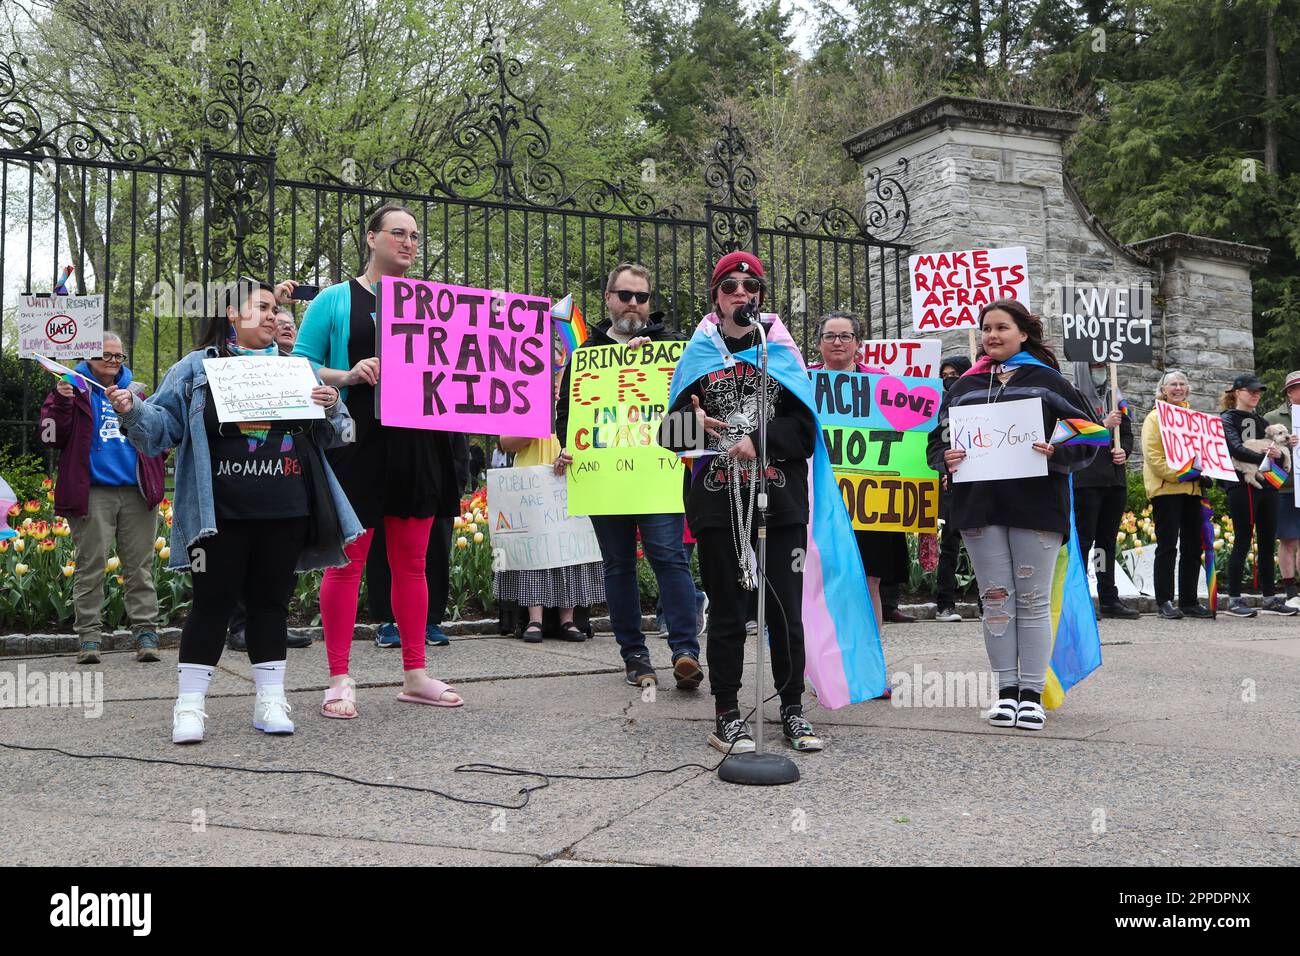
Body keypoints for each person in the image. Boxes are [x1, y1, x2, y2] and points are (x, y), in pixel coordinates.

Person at [110, 280, 362, 744]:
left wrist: (332, 406)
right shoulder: (195, 368)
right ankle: (189, 708)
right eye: (261, 308)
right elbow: (160, 432)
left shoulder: (299, 367)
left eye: (276, 309)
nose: (272, 316)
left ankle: (270, 700)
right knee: (211, 604)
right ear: (231, 313)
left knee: (271, 603)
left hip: (287, 508)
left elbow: (338, 437)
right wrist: (132, 411)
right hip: (217, 512)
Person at [291, 204, 464, 716]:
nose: (410, 243)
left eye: (415, 235)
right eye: (398, 233)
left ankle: (415, 674)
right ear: (371, 238)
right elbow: (296, 365)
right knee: (348, 564)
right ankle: (339, 679)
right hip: (357, 442)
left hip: (418, 443)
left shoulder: (436, 303)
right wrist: (347, 374)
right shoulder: (335, 300)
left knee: (413, 562)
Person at [660, 251, 824, 753]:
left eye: (750, 286)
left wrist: (758, 436)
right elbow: (668, 437)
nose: (740, 292)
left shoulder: (781, 354)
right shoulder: (698, 357)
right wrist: (696, 425)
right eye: (729, 285)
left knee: (784, 610)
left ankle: (793, 708)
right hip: (717, 501)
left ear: (759, 297)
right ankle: (727, 712)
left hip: (779, 499)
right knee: (728, 610)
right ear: (715, 296)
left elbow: (805, 429)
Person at [927, 299, 1099, 732]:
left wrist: (1056, 450)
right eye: (986, 328)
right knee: (996, 600)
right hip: (979, 506)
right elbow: (935, 441)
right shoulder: (964, 386)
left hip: (1036, 504)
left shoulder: (1048, 381)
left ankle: (1031, 695)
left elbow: (1090, 434)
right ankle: (1006, 693)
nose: (992, 335)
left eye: (1002, 327)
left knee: (1033, 599)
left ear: (1023, 333)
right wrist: (944, 457)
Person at [554, 263, 703, 690]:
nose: (634, 304)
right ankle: (634, 657)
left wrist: (648, 368)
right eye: (625, 295)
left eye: (641, 296)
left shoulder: (672, 347)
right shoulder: (586, 353)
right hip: (604, 478)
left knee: (670, 559)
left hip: (657, 474)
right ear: (608, 298)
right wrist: (567, 446)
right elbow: (569, 416)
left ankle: (685, 652)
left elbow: (688, 409)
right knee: (618, 566)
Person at [40, 331, 167, 664]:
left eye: (118, 356)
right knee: (90, 565)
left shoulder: (137, 392)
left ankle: (145, 633)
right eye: (105, 355)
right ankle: (89, 639)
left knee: (140, 567)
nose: (112, 362)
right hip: (93, 491)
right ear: (88, 355)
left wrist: (153, 465)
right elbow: (50, 436)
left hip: (136, 491)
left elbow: (159, 436)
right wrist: (61, 400)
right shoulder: (71, 388)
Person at [495, 337, 605, 640]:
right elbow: (505, 443)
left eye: (559, 368)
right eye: (550, 368)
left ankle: (569, 619)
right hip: (530, 486)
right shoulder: (523, 399)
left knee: (567, 549)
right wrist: (535, 420)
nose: (555, 375)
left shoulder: (581, 398)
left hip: (570, 481)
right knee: (534, 551)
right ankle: (534, 619)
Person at [808, 310, 908, 634]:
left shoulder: (882, 384)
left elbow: (906, 438)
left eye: (845, 336)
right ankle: (825, 670)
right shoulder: (802, 383)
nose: (837, 342)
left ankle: (869, 666)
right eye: (830, 336)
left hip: (871, 498)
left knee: (869, 582)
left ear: (858, 343)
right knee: (822, 582)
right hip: (818, 497)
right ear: (819, 343)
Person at [226, 303, 312, 653]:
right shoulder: (247, 365)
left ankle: (274, 623)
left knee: (282, 567)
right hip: (250, 479)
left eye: (292, 324)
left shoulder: (303, 370)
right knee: (246, 561)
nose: (286, 327)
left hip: (289, 483)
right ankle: (242, 627)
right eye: (280, 322)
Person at [368, 433, 468, 649]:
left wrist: (456, 480)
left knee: (436, 551)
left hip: (435, 458)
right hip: (393, 456)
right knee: (384, 547)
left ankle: (431, 621)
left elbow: (458, 441)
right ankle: (387, 621)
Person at [1220, 374, 1298, 617]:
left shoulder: (1262, 421)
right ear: (1237, 392)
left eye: (1258, 391)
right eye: (1250, 390)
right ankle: (1234, 599)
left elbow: (1277, 453)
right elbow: (1235, 448)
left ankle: (1269, 598)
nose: (1255, 394)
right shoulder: (1227, 418)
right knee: (1243, 539)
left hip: (1268, 484)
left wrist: (1285, 451)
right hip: (1241, 483)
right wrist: (1268, 455)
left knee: (1266, 542)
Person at [1140, 370, 1213, 621]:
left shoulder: (1194, 419)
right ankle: (1165, 601)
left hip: (1192, 490)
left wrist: (1207, 471)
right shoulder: (1154, 418)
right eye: (1173, 384)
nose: (1178, 388)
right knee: (1167, 546)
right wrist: (1183, 474)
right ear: (1163, 390)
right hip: (1167, 489)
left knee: (1193, 546)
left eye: (1182, 384)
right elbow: (1154, 458)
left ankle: (1190, 601)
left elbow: (1204, 451)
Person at [1072, 362, 1140, 619]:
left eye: (1103, 365)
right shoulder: (1072, 397)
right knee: (1084, 541)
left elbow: (1127, 434)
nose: (1099, 370)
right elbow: (1073, 436)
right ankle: (1080, 598)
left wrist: (1125, 451)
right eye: (1094, 366)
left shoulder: (1116, 398)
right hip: (1087, 480)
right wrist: (1102, 424)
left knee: (1106, 543)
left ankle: (1109, 597)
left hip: (1114, 480)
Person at [932, 355, 971, 621]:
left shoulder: (979, 397)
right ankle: (945, 604)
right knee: (950, 544)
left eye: (954, 375)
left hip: (979, 482)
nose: (949, 380)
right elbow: (936, 444)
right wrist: (943, 469)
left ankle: (985, 602)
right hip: (951, 481)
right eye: (944, 376)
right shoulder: (941, 406)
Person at [1264, 370, 1300, 608]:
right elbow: (1262, 453)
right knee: (1288, 539)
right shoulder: (1272, 417)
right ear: (1290, 391)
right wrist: (1285, 442)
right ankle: (1290, 591)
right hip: (1286, 486)